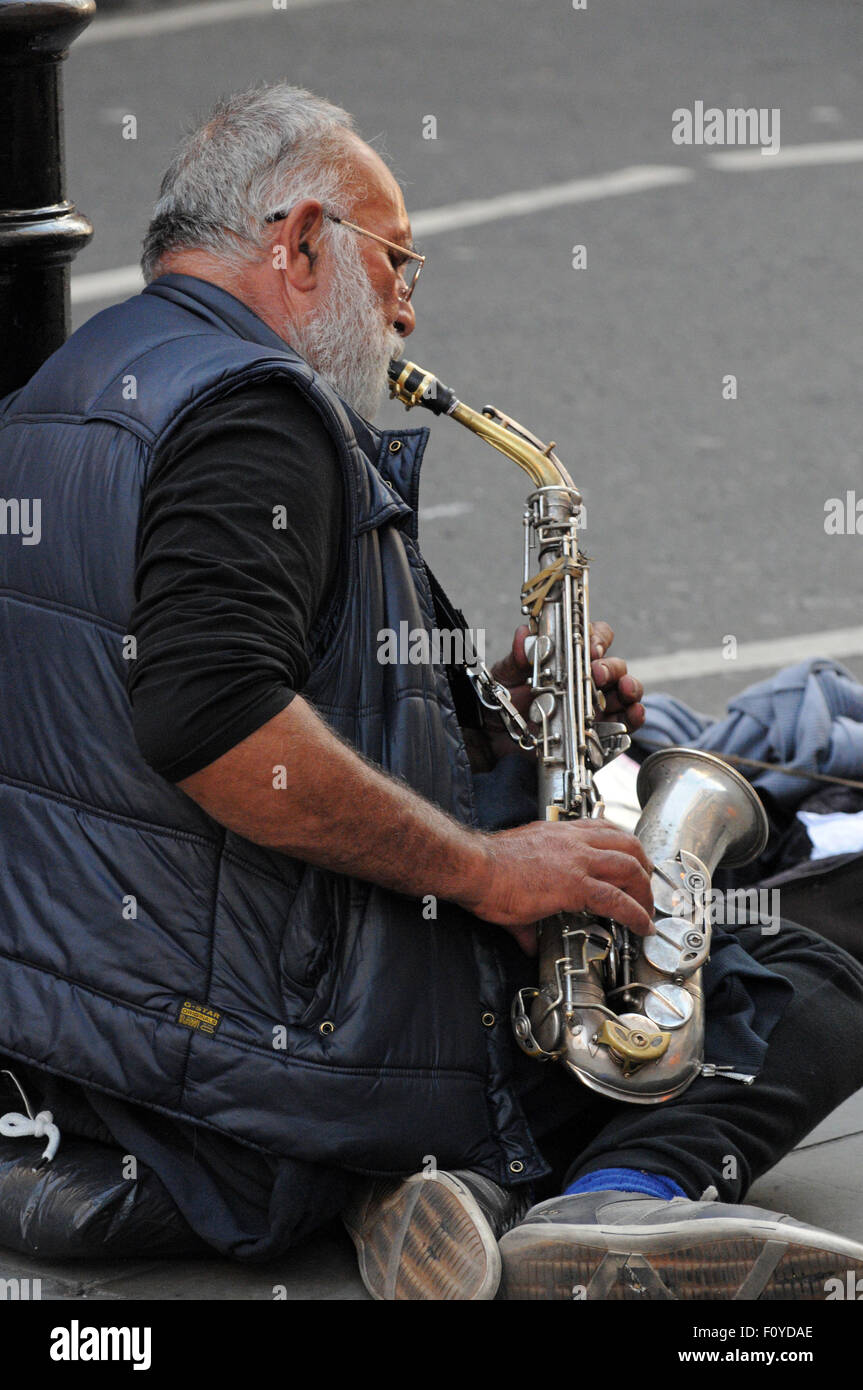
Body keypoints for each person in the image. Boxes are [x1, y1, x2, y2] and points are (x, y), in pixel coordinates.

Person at [1, 82, 863, 1301]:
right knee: (803, 944)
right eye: (395, 259)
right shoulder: (252, 414)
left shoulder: (49, 402)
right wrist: (486, 868)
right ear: (300, 242)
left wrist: (489, 706)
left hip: (94, 1051)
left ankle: (433, 1194)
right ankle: (620, 1196)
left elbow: (150, 699)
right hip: (263, 1063)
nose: (409, 303)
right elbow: (214, 719)